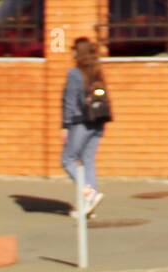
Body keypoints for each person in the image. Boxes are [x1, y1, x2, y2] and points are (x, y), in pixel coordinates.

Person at [61, 38, 110, 219]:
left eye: (73, 50)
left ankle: (89, 194)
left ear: (78, 53)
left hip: (80, 122)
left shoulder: (74, 74)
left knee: (67, 160)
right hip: (98, 121)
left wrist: (65, 126)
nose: (71, 53)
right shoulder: (97, 71)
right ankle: (90, 205)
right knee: (88, 161)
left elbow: (70, 101)